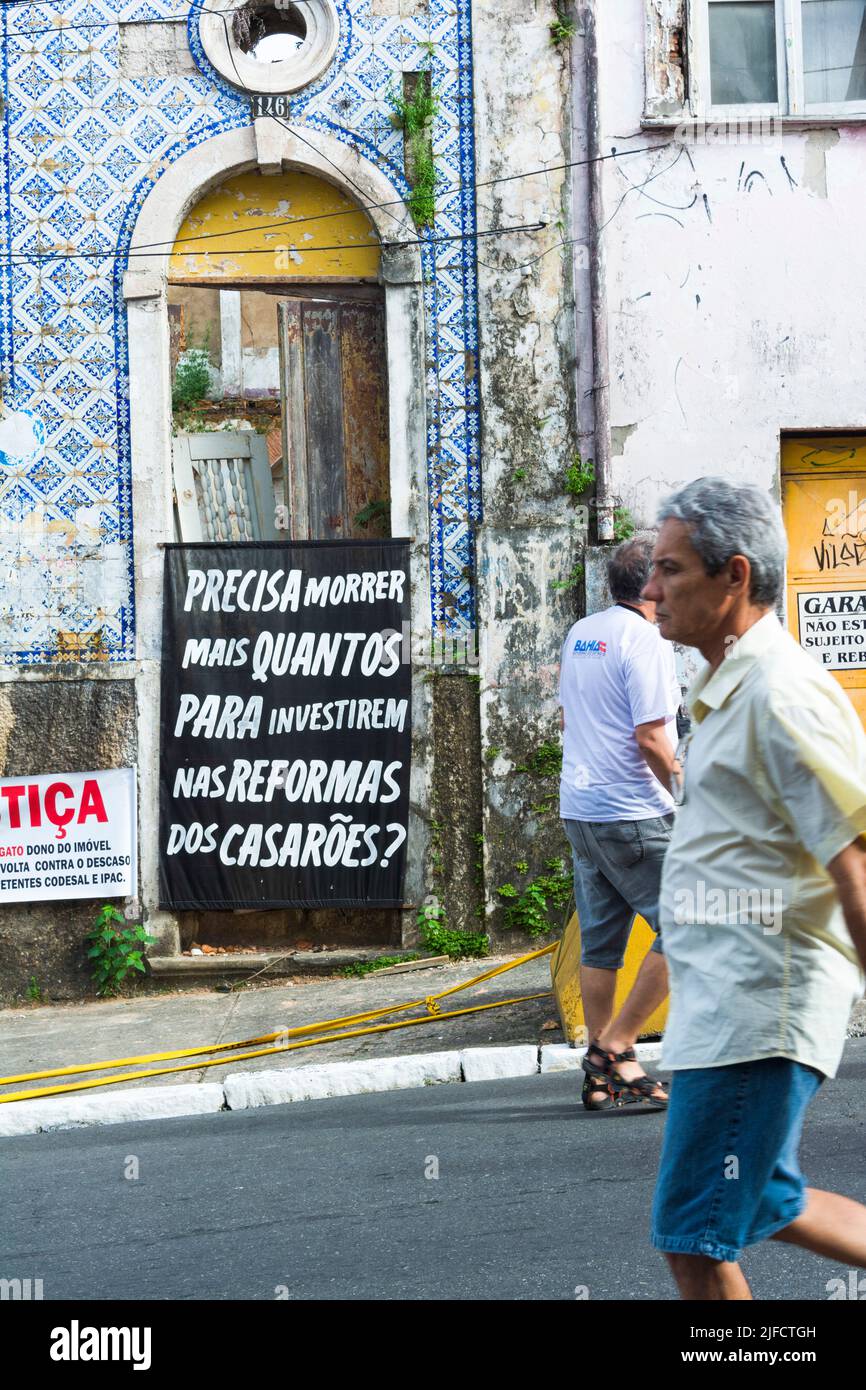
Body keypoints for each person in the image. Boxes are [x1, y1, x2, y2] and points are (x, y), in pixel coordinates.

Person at [644, 476, 866, 1300]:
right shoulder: (727, 687)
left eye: (670, 570)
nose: (652, 589)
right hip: (724, 1008)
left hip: (756, 1012)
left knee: (694, 1239)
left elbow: (855, 862)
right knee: (773, 1202)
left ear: (734, 576)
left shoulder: (780, 692)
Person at [559, 536, 681, 1111]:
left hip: (581, 809)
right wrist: (687, 789)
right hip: (631, 812)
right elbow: (652, 736)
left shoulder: (583, 632)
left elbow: (573, 713)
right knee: (691, 921)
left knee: (602, 943)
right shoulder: (646, 640)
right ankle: (617, 1048)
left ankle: (599, 1072)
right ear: (655, 583)